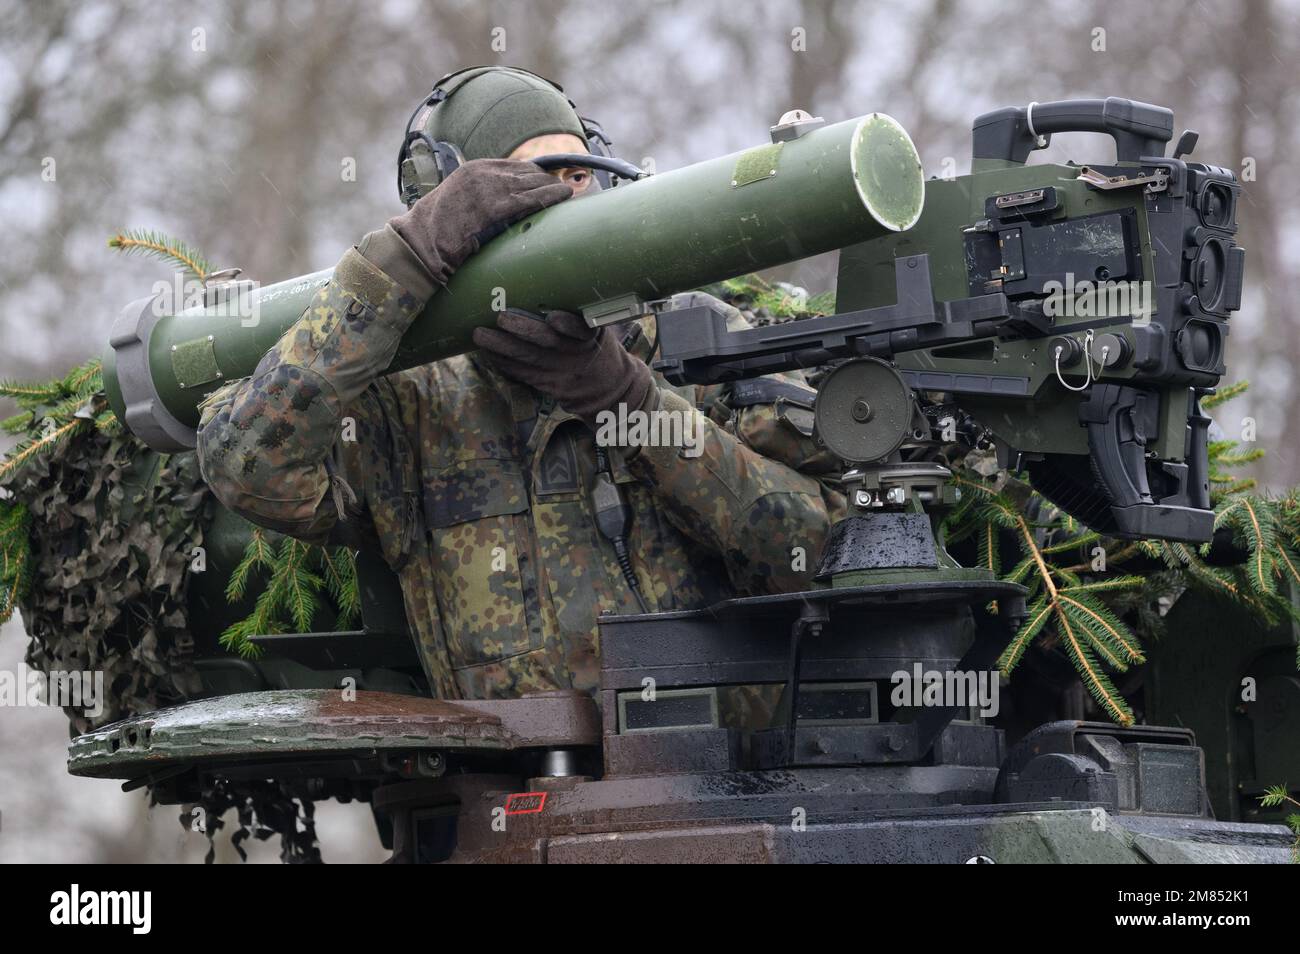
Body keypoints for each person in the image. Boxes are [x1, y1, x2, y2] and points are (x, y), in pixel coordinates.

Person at [195, 66, 842, 700]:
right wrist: (399, 267)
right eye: (526, 184)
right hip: (508, 791)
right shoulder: (416, 394)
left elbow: (819, 555)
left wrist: (632, 404)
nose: (564, 203)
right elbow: (249, 469)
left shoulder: (693, 336)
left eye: (578, 175)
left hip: (723, 785)